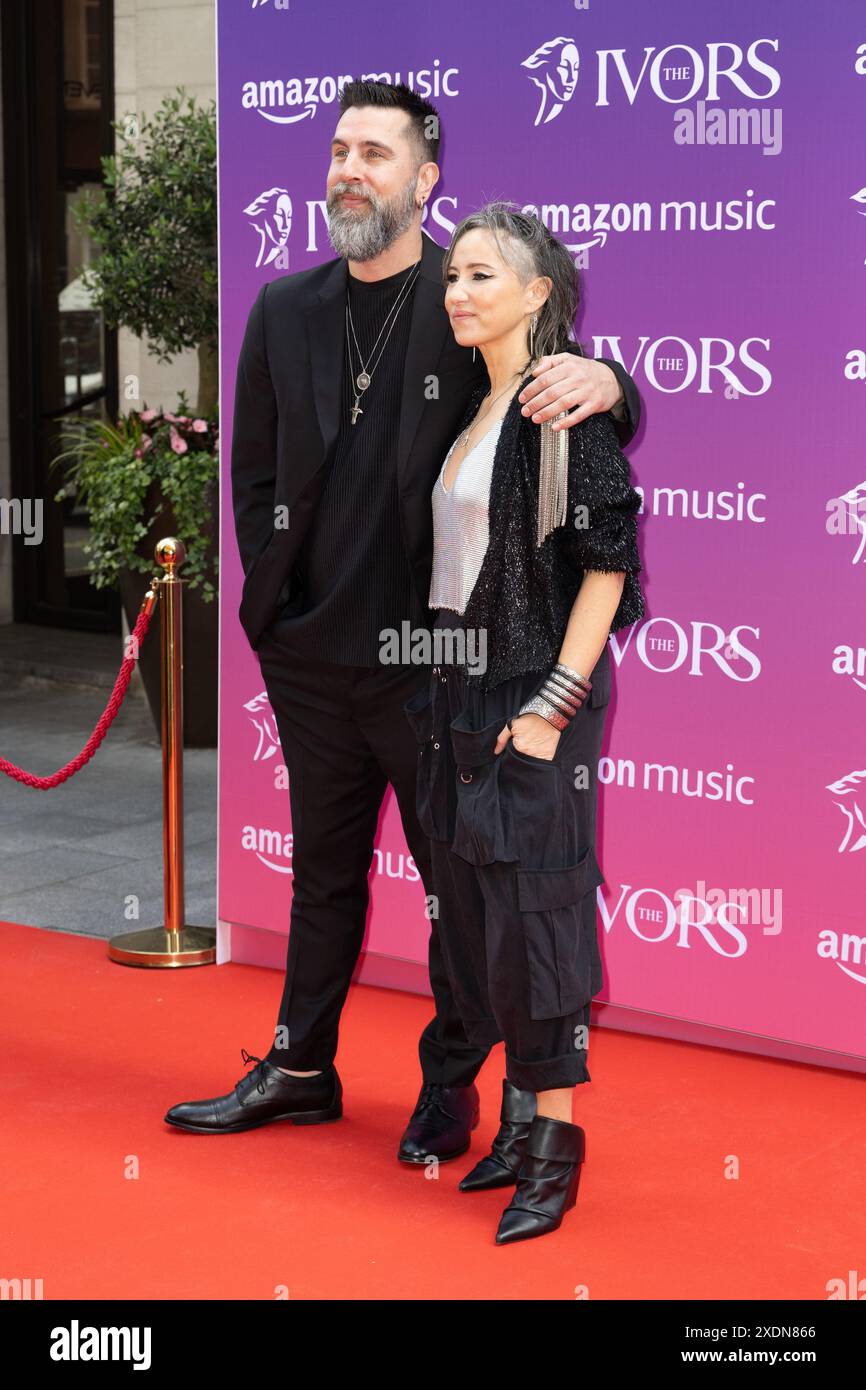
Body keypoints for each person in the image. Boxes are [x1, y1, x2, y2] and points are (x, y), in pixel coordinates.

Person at [165, 81, 642, 1169]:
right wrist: (272, 605)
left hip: (434, 666)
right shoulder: (282, 307)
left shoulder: (466, 293)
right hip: (309, 656)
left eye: (375, 152)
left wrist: (609, 379)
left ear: (423, 180)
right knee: (321, 871)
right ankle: (298, 1063)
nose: (349, 168)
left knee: (463, 895)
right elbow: (252, 473)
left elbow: (563, 394)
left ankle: (453, 1091)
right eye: (338, 149)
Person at [404, 202, 645, 1243]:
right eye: (453, 275)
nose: (459, 292)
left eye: (482, 276)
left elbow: (608, 566)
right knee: (479, 930)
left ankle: (553, 1149)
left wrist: (552, 706)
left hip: (530, 700)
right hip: (456, 694)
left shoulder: (560, 405)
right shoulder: (475, 401)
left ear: (538, 293)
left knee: (539, 922)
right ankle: (509, 1128)